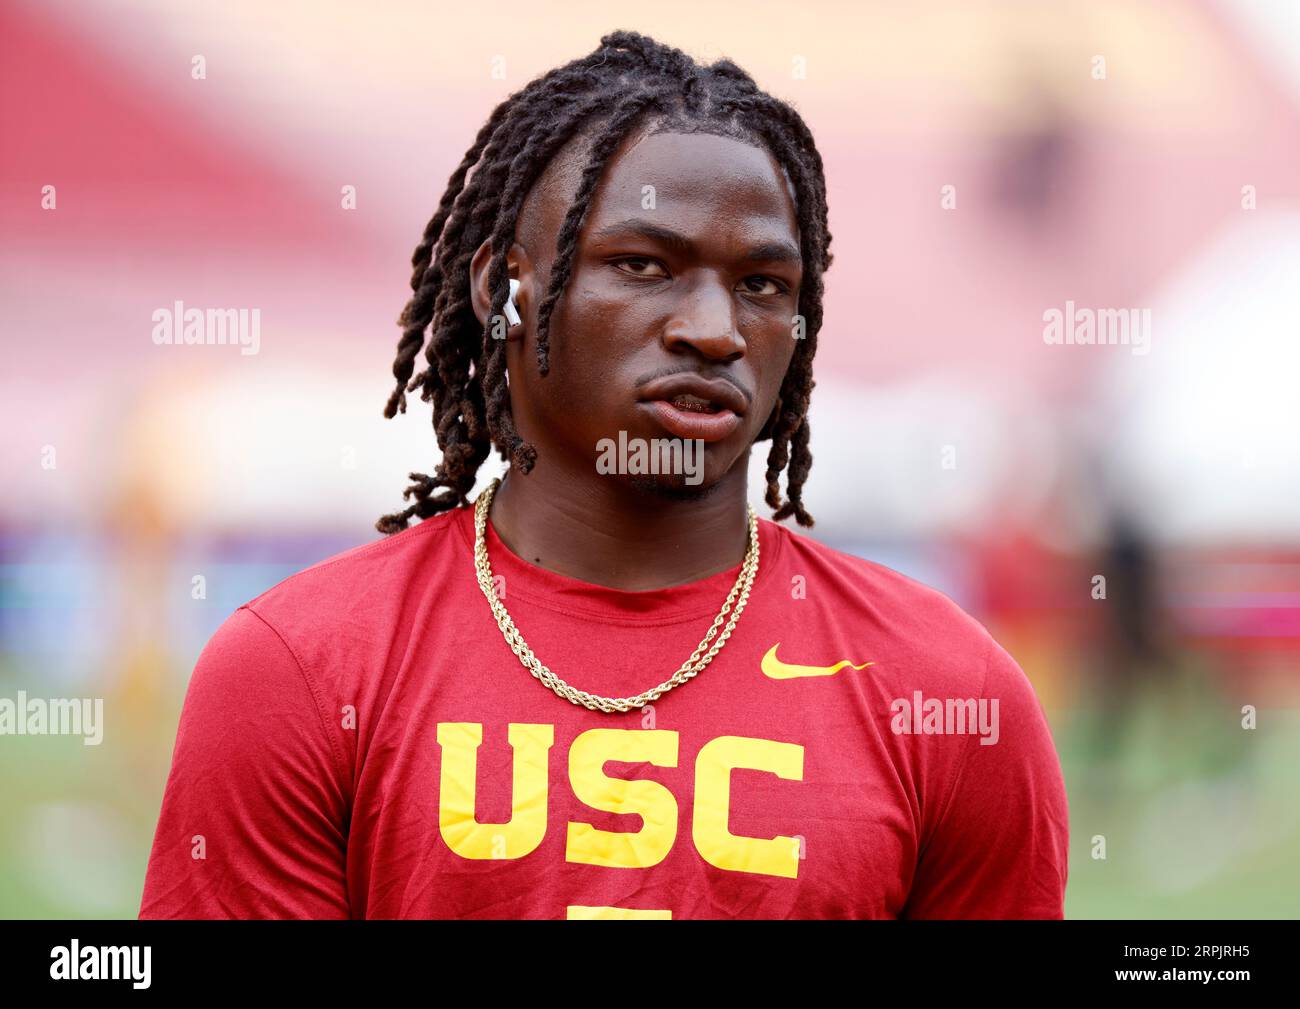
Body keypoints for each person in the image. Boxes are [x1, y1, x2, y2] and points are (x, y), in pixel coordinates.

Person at [139, 30, 1068, 919]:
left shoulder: (949, 692)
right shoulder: (297, 669)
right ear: (503, 288)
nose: (713, 330)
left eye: (762, 286)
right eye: (643, 264)